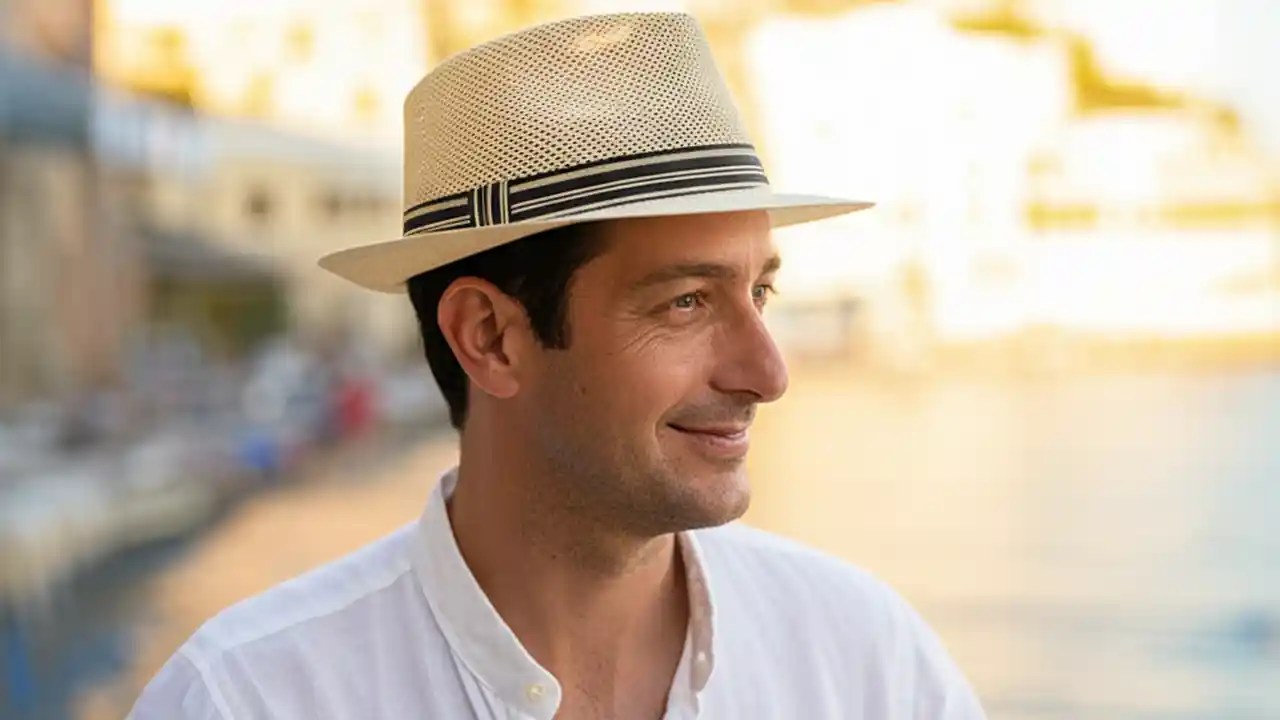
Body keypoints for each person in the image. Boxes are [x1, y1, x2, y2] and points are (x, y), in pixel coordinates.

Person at [129, 12, 985, 719]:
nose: (768, 372)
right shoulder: (248, 700)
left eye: (758, 293)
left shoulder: (867, 664)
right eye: (686, 302)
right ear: (490, 337)